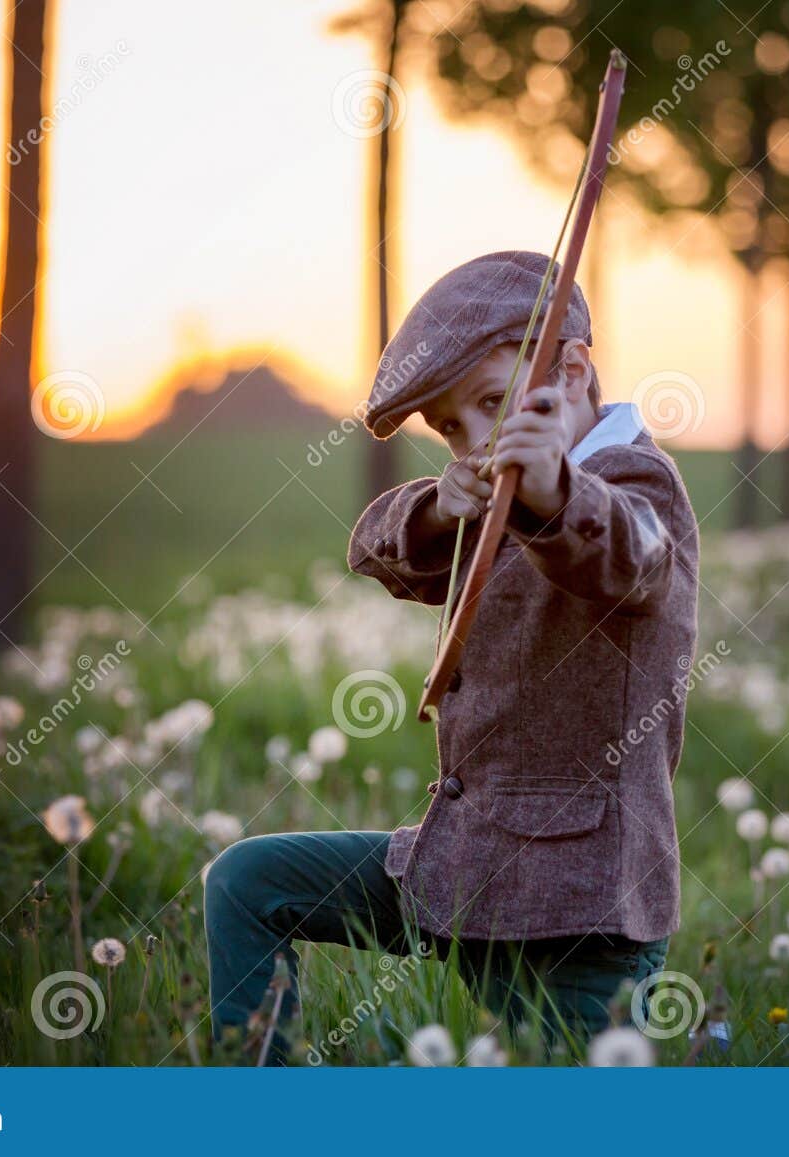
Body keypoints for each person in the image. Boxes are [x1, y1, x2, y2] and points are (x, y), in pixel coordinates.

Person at [204, 250, 701, 1060]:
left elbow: (628, 557)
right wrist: (442, 503)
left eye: (493, 405)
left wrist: (550, 497)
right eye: (449, 428)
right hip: (461, 864)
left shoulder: (636, 486)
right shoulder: (490, 495)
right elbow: (374, 549)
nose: (475, 442)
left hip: (577, 910)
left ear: (572, 370)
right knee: (248, 882)